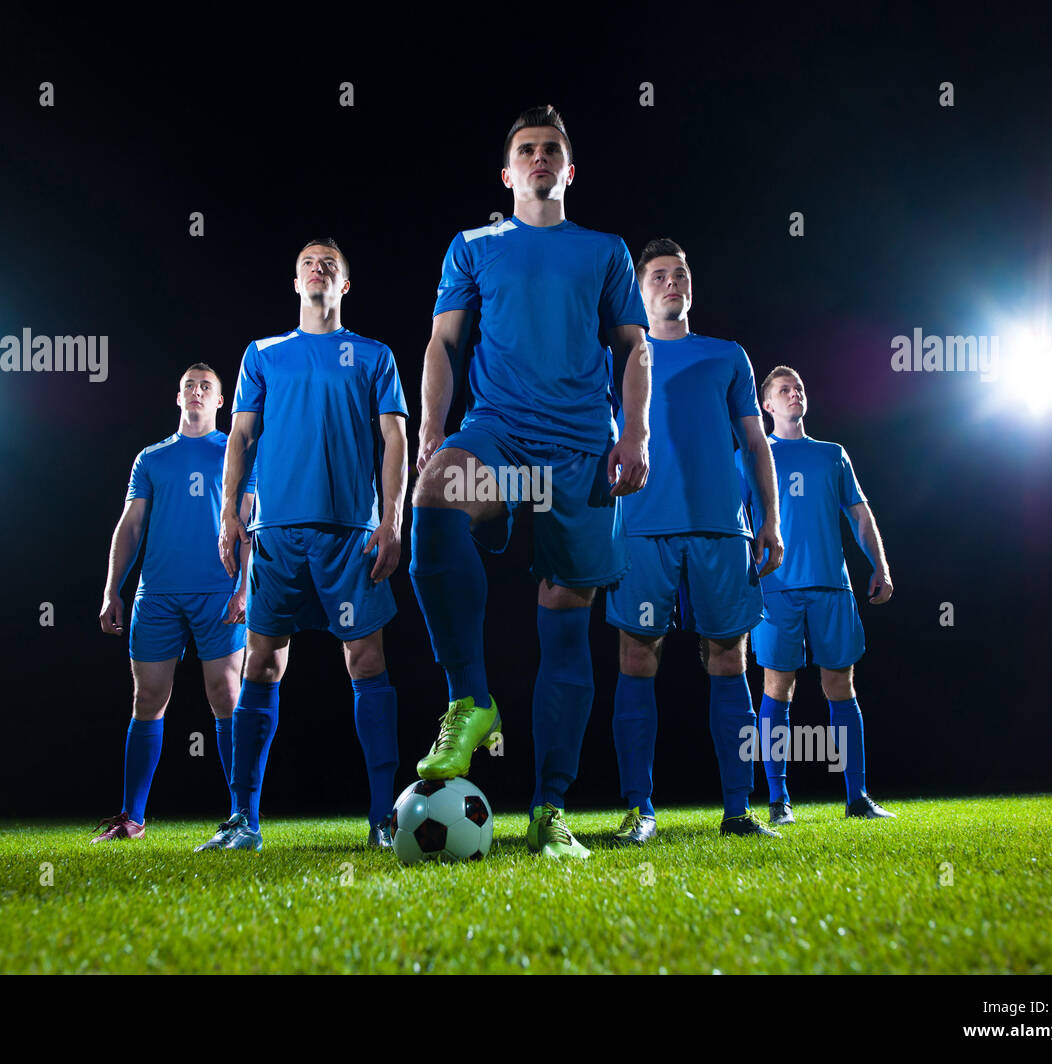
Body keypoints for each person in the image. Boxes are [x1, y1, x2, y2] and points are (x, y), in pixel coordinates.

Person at [410, 105, 652, 858]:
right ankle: (471, 698)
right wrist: (431, 430)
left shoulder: (606, 250)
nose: (539, 158)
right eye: (526, 150)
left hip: (581, 448)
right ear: (507, 171)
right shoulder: (472, 245)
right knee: (434, 498)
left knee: (565, 617)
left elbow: (636, 348)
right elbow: (443, 342)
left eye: (551, 149)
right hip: (500, 434)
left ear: (569, 170)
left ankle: (549, 809)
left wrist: (636, 432)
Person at [202, 239, 409, 851]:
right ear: (296, 282)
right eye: (308, 263)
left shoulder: (373, 356)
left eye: (331, 264)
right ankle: (244, 821)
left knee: (366, 662)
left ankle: (380, 820)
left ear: (345, 285)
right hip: (275, 534)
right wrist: (228, 518)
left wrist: (392, 521)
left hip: (351, 532)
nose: (319, 269)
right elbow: (240, 436)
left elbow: (395, 440)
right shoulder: (264, 354)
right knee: (262, 663)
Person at [606, 239, 784, 845]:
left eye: (680, 273)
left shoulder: (728, 355)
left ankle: (737, 809)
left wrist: (771, 521)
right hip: (642, 525)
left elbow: (757, 445)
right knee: (637, 658)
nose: (672, 282)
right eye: (657, 275)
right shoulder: (623, 356)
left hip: (720, 527)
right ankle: (640, 808)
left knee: (729, 660)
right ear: (639, 289)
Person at [92, 364, 255, 843]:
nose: (197, 392)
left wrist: (246, 587)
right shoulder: (151, 458)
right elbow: (131, 526)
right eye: (189, 385)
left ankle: (241, 815)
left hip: (219, 592)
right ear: (178, 396)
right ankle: (131, 818)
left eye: (207, 387)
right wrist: (111, 589)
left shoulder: (236, 453)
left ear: (221, 400)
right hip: (157, 595)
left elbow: (249, 525)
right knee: (147, 700)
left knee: (227, 698)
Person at [740, 366, 896, 822]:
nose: (794, 394)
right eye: (784, 390)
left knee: (840, 686)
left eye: (799, 388)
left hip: (832, 585)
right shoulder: (752, 454)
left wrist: (881, 567)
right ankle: (778, 802)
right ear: (767, 405)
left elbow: (861, 516)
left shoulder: (833, 455)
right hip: (776, 589)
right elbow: (735, 518)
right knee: (777, 688)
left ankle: (857, 798)